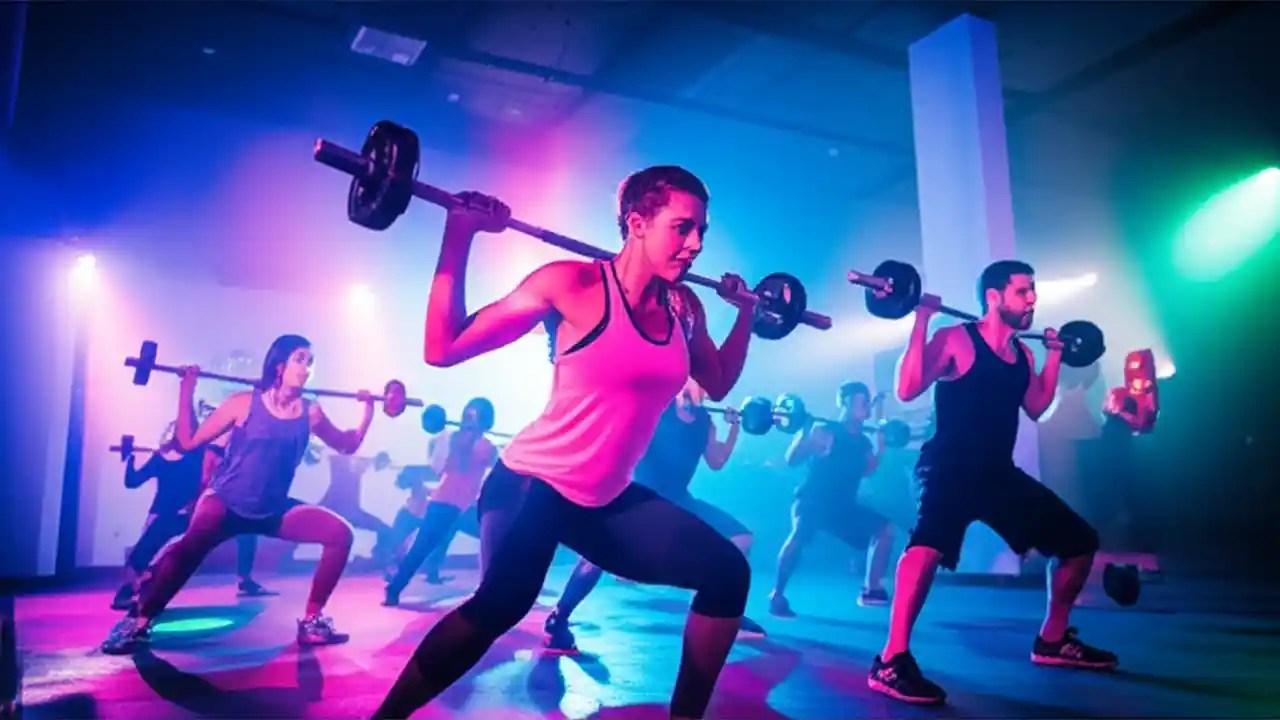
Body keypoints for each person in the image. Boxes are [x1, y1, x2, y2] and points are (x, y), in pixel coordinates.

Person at [372, 166, 756, 720]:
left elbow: (716, 382)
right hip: (533, 482)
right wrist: (460, 231)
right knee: (501, 603)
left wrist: (746, 313)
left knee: (727, 573)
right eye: (682, 228)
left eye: (702, 231)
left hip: (603, 496)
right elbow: (442, 347)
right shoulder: (571, 285)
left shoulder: (683, 308)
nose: (696, 244)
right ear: (637, 223)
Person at [867, 260, 1114, 706]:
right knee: (926, 545)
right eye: (1023, 291)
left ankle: (1053, 639)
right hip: (949, 468)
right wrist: (921, 320)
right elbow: (907, 389)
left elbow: (1036, 407)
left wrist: (1055, 356)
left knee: (1080, 542)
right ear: (994, 297)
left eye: (1033, 290)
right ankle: (891, 659)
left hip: (997, 474)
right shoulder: (956, 339)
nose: (1033, 299)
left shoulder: (1023, 355)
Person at [100, 334, 374, 654]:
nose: (307, 367)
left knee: (340, 534)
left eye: (311, 362)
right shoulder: (243, 403)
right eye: (300, 359)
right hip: (225, 502)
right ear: (279, 365)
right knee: (188, 549)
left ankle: (313, 621)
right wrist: (187, 388)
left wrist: (368, 412)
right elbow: (187, 442)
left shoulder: (311, 413)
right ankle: (138, 621)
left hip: (272, 509)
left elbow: (346, 445)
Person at [543, 378, 766, 652]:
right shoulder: (657, 407)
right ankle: (558, 618)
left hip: (679, 498)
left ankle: (721, 611)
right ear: (686, 379)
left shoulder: (705, 422)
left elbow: (716, 461)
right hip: (639, 493)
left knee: (741, 539)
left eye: (709, 388)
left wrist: (734, 428)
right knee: (595, 555)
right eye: (701, 383)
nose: (707, 391)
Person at [768, 382, 896, 617]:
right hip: (813, 500)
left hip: (842, 507)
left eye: (868, 402)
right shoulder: (826, 431)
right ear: (845, 403)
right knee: (799, 536)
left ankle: (871, 589)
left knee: (884, 530)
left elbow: (867, 470)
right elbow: (792, 460)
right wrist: (804, 433)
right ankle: (777, 595)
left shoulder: (863, 442)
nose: (867, 406)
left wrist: (880, 450)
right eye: (862, 401)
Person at [110, 421, 269, 610]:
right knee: (147, 552)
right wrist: (130, 460)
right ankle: (131, 591)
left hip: (191, 512)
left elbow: (213, 473)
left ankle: (245, 578)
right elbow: (132, 482)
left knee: (245, 532)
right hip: (166, 514)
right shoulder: (162, 458)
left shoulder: (198, 454)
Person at [382, 398, 499, 606]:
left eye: (474, 417)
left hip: (467, 506)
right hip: (444, 503)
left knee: (495, 539)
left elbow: (498, 470)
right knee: (421, 547)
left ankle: (493, 588)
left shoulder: (487, 448)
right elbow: (444, 466)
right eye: (467, 416)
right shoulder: (453, 440)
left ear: (485, 422)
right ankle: (394, 588)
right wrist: (467, 439)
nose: (469, 421)